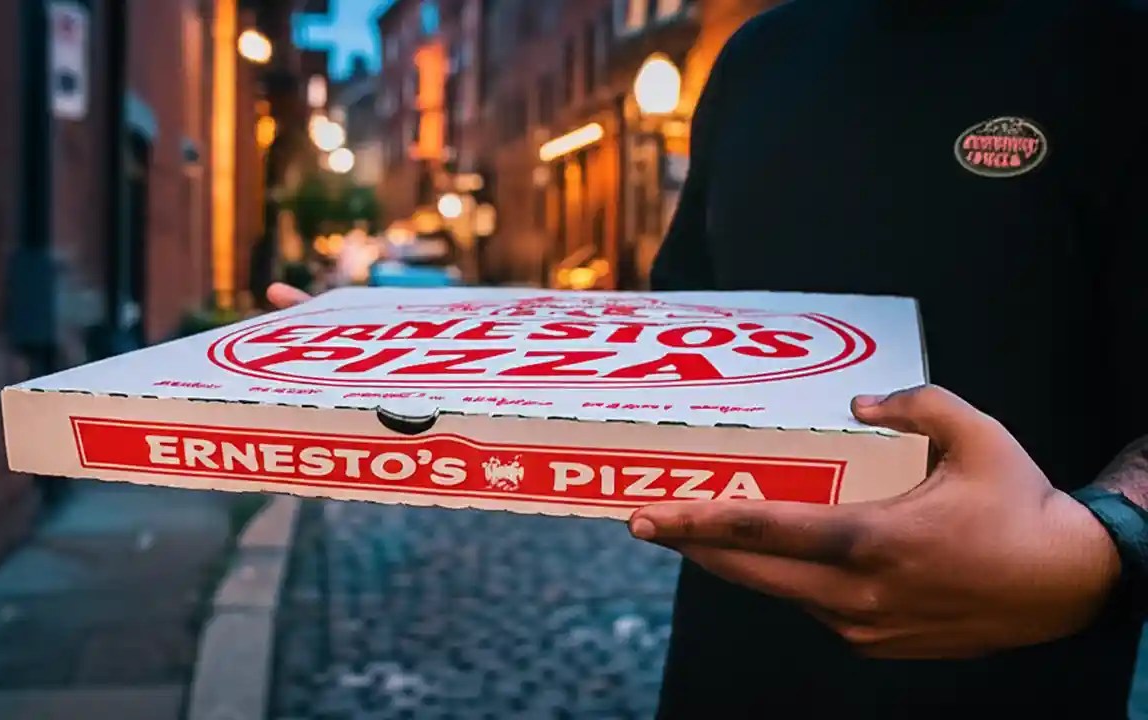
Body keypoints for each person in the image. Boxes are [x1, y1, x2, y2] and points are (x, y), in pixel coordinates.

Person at [268, 0, 1147, 715]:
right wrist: (448, 370)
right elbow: (683, 361)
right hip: (724, 680)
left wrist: (1106, 547)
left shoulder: (1118, 46)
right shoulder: (760, 56)